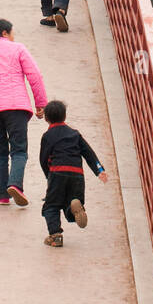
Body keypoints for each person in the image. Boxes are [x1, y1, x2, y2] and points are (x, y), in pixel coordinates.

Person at [0, 18, 48, 206]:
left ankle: (3, 195)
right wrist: (40, 103)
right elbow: (34, 75)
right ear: (5, 33)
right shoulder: (17, 48)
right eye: (12, 34)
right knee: (19, 150)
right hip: (16, 107)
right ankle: (16, 185)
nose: (13, 37)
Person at [39, 99, 108, 247]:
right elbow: (89, 153)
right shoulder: (74, 134)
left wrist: (48, 176)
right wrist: (99, 170)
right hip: (77, 174)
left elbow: (43, 159)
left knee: (51, 205)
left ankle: (56, 236)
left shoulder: (47, 136)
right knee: (72, 201)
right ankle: (74, 207)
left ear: (46, 118)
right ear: (65, 116)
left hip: (57, 173)